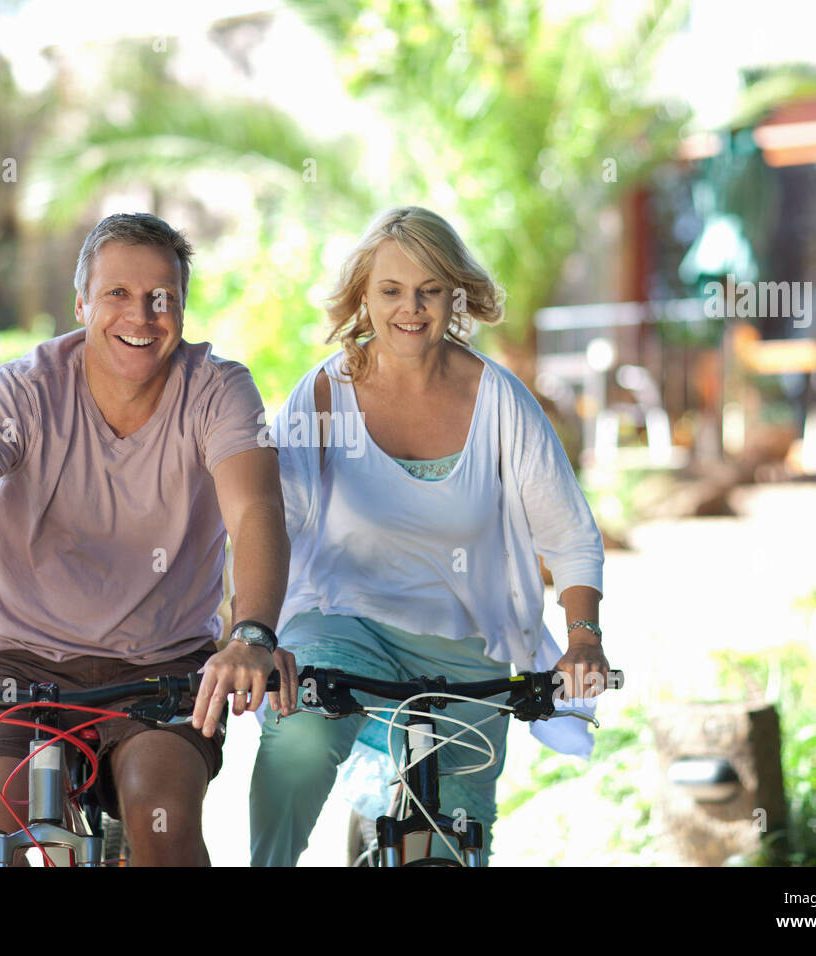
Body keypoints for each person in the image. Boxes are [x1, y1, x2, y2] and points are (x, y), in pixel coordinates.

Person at [0, 212, 297, 866]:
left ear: (184, 310)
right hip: (19, 665)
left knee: (161, 830)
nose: (141, 314)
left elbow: (255, 510)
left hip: (159, 672)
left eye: (161, 297)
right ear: (81, 303)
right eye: (118, 294)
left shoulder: (217, 390)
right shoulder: (25, 390)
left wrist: (251, 635)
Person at [250, 206, 610, 866]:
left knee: (453, 845)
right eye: (391, 290)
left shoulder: (500, 400)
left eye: (429, 290)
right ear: (364, 294)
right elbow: (269, 523)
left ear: (456, 294)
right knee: (299, 740)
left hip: (464, 647)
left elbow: (568, 534)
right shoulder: (324, 396)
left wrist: (583, 641)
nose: (409, 309)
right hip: (342, 625)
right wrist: (251, 634)